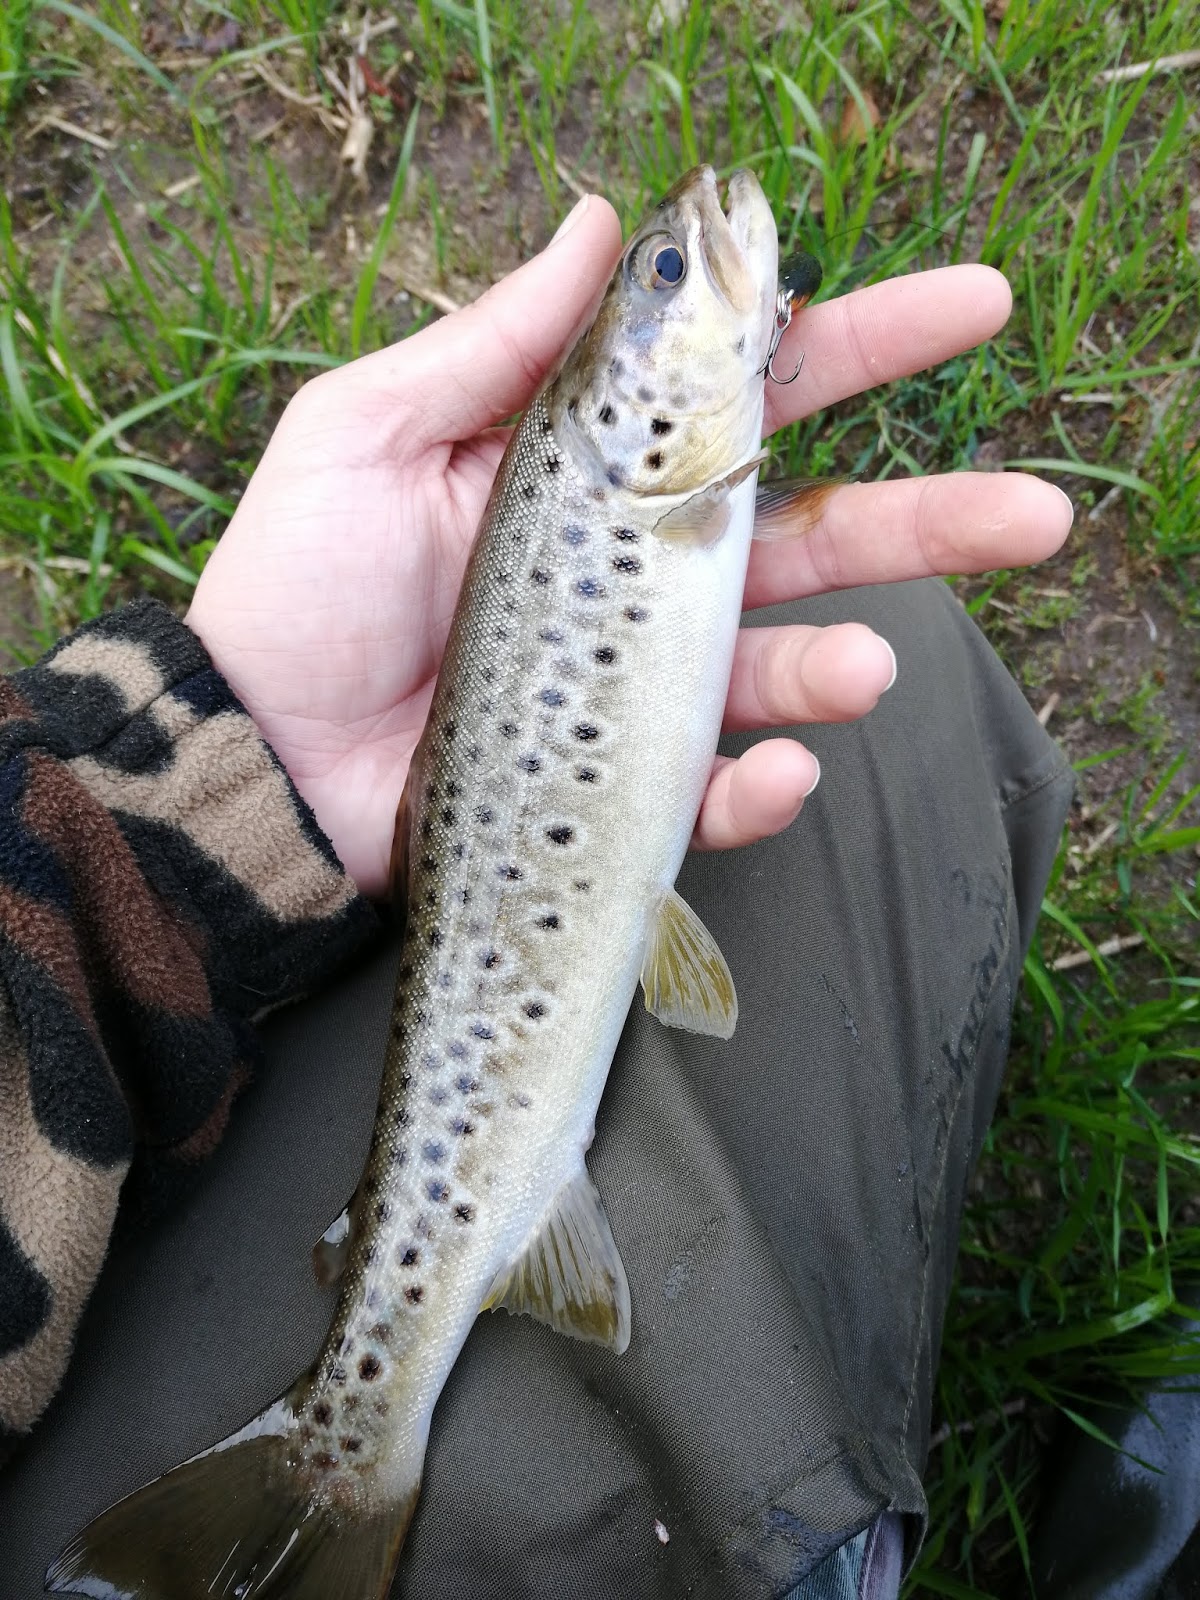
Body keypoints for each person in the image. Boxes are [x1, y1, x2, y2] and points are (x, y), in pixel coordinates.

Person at [0, 194, 1076, 1597]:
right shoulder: (626, 482)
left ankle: (354, 1435)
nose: (701, 245)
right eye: (668, 272)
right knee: (897, 672)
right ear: (608, 411)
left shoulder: (660, 480)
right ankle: (355, 1447)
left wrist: (230, 746)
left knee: (883, 655)